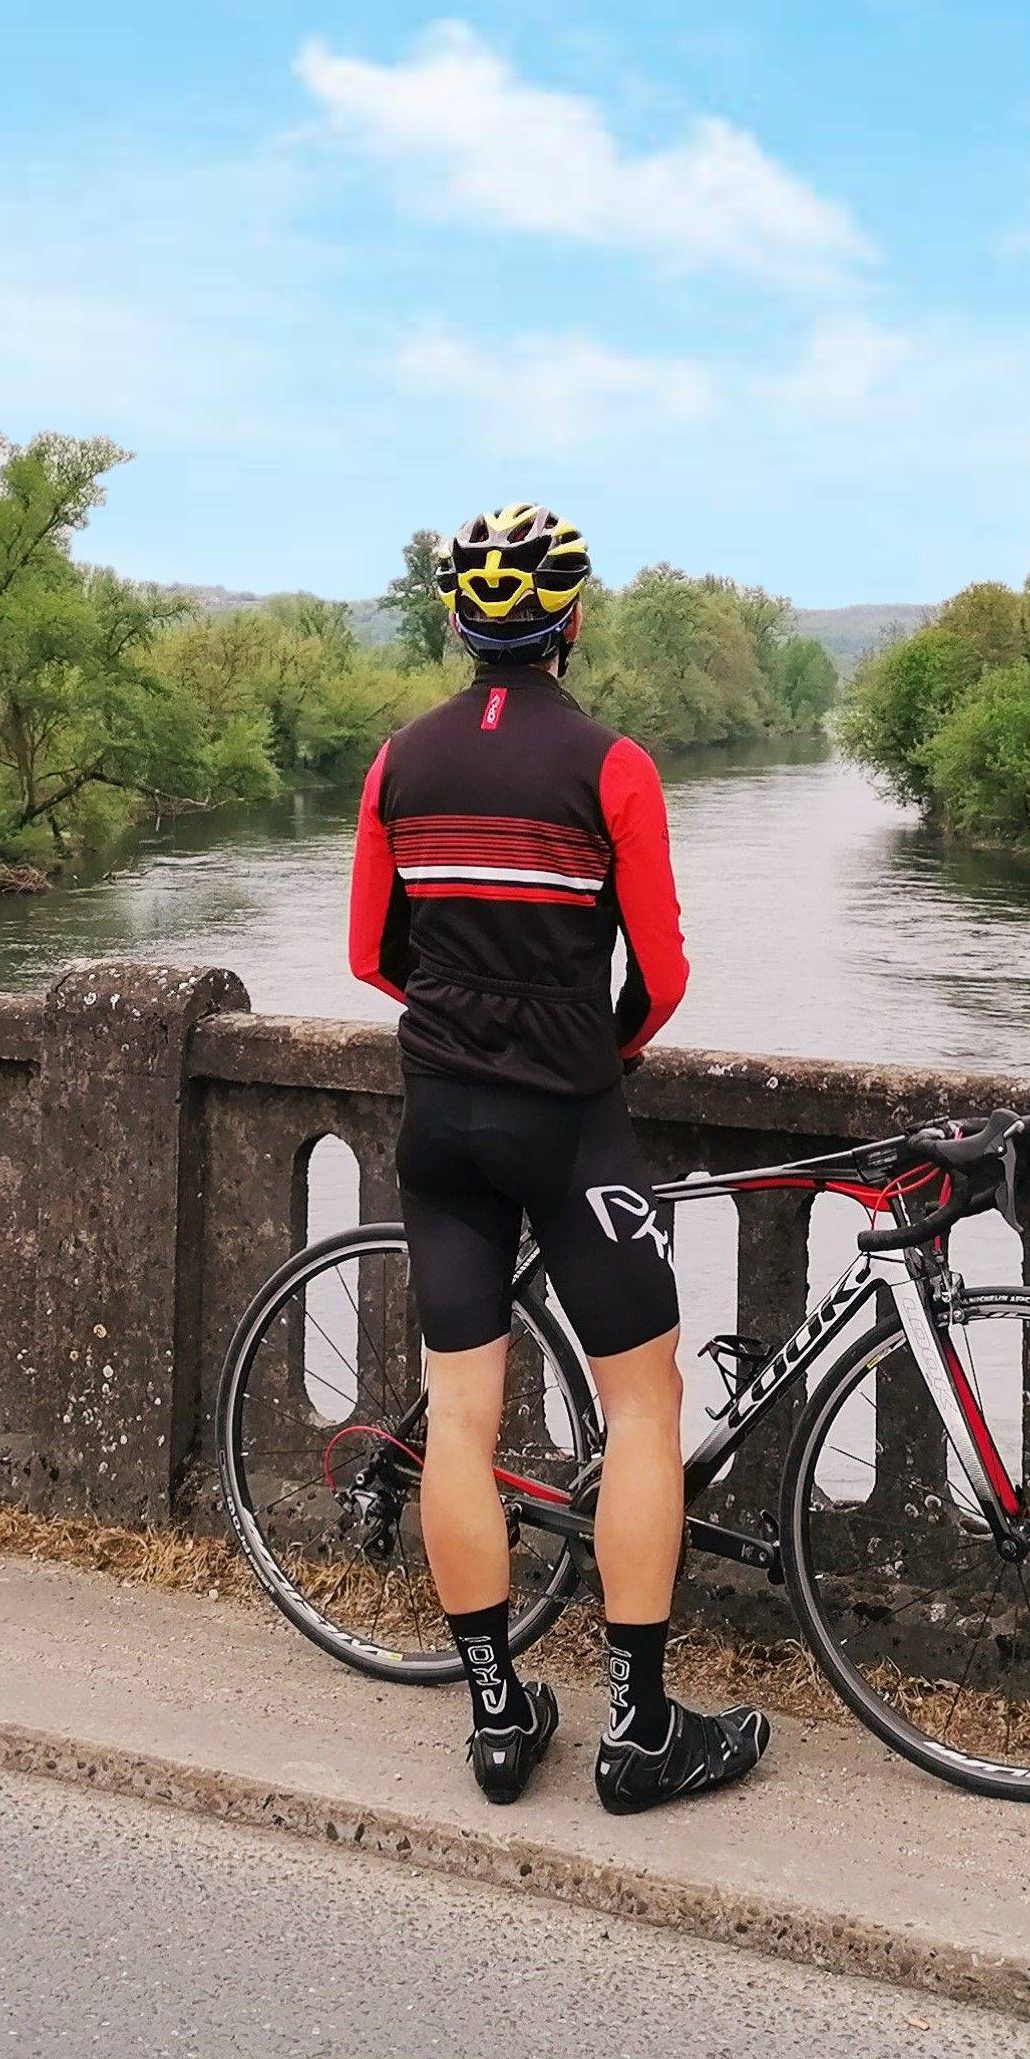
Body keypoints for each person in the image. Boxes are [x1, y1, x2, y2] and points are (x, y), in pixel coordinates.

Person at [347, 502, 771, 1815]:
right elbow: (668, 974)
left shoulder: (396, 765)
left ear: (461, 624)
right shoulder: (613, 768)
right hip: (569, 1125)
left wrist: (465, 1017)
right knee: (645, 1412)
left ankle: (496, 1717)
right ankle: (640, 1735)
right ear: (571, 622)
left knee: (463, 1424)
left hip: (441, 1123)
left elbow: (374, 953)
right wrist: (594, 1047)